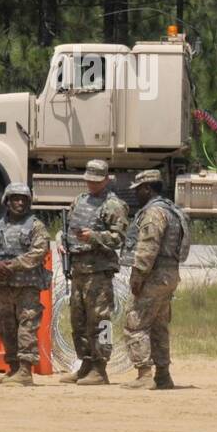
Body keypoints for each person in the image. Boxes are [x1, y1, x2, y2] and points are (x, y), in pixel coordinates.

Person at [59, 159, 128, 385]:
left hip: (99, 272)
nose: (91, 184)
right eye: (88, 179)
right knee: (78, 321)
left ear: (106, 180)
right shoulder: (79, 201)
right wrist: (62, 242)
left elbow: (119, 238)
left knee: (101, 321)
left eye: (96, 181)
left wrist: (95, 237)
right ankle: (85, 364)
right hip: (78, 270)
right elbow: (68, 229)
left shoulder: (114, 205)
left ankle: (100, 368)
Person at [121, 169, 190, 390]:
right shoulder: (172, 211)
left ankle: (144, 374)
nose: (136, 195)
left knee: (136, 322)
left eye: (138, 190)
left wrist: (138, 275)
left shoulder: (154, 213)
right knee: (159, 325)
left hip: (154, 274)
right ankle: (163, 375)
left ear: (147, 189)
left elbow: (148, 246)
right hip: (170, 274)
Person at [0, 182, 51, 386]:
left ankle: (25, 371)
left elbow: (38, 254)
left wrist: (11, 265)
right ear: (7, 201)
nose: (19, 203)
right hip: (5, 286)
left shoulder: (36, 226)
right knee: (6, 326)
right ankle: (13, 367)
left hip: (27, 287)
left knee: (27, 325)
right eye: (15, 199)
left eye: (23, 199)